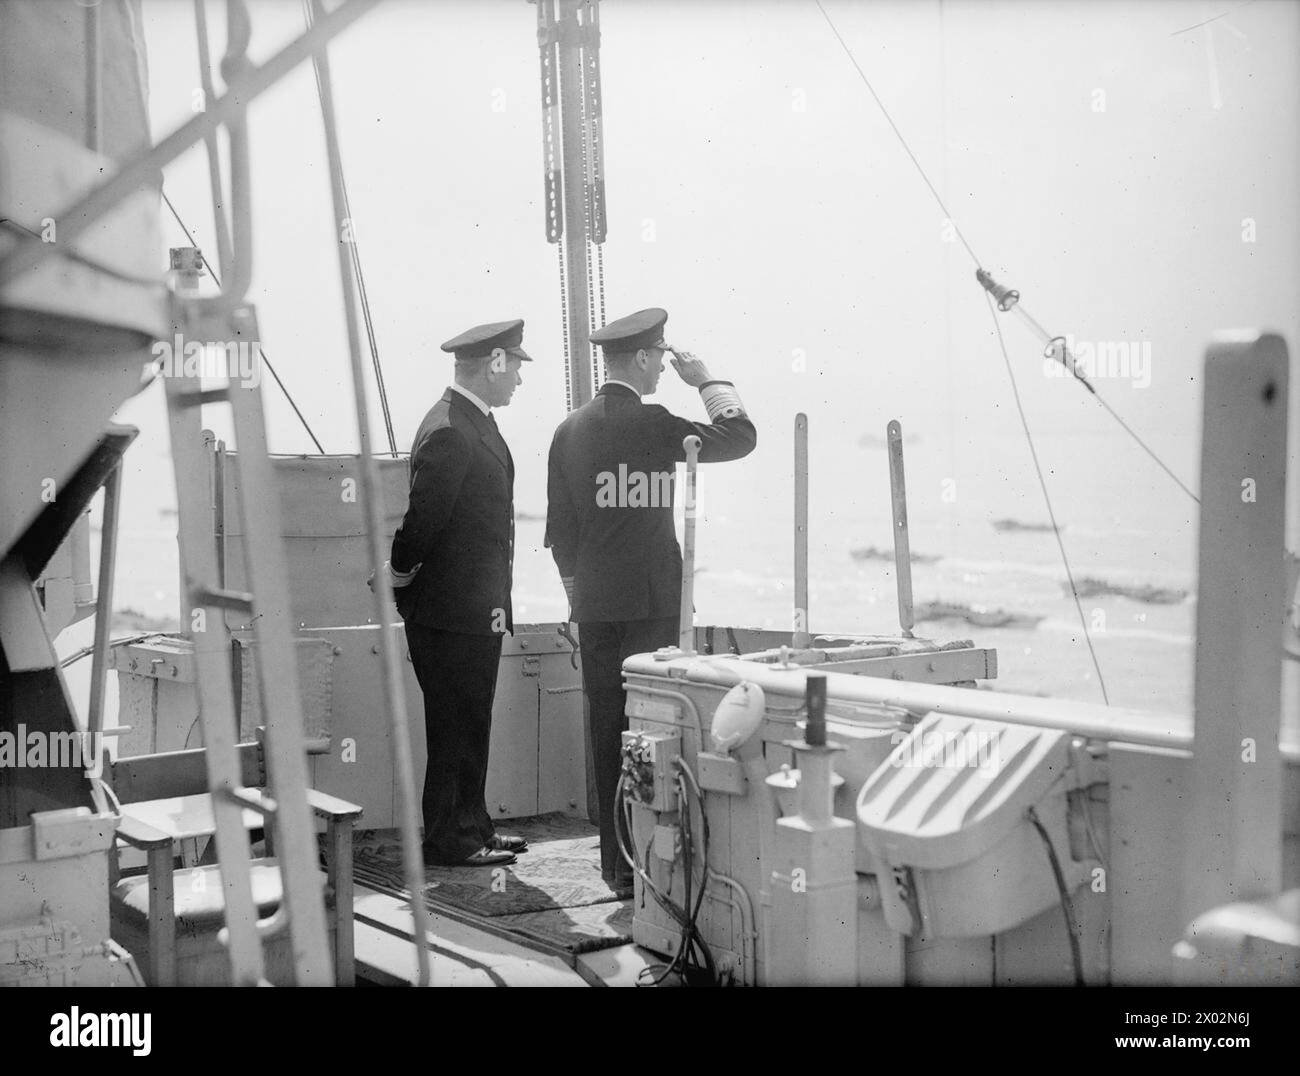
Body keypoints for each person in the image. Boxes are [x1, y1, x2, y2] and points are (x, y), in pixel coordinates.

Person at [544, 307, 757, 885]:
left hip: (594, 606)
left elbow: (559, 533)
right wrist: (709, 381)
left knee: (606, 727)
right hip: (654, 605)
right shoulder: (656, 423)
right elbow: (740, 438)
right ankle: (650, 864)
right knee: (656, 734)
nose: (664, 368)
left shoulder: (569, 430)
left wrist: (576, 599)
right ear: (639, 358)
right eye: (660, 357)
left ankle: (614, 864)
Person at [381, 319, 532, 867]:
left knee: (471, 721)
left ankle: (474, 828)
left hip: (474, 610)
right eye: (514, 364)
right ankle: (449, 838)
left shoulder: (473, 422)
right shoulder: (450, 428)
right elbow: (422, 522)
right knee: (453, 724)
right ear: (493, 362)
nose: (518, 377)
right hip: (449, 613)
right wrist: (400, 576)